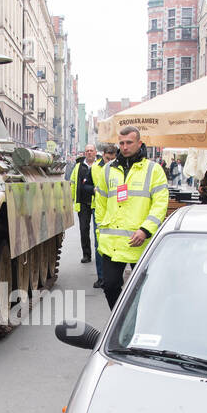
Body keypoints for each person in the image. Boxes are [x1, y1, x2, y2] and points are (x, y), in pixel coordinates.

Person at [95, 126, 169, 308]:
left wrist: (145, 229)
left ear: (139, 143)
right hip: (113, 243)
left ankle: (137, 321)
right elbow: (101, 203)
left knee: (143, 290)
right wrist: (100, 229)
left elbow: (160, 204)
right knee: (110, 286)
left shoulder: (153, 170)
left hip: (141, 242)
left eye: (129, 142)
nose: (125, 147)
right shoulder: (108, 170)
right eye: (121, 143)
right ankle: (121, 322)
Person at [90, 144, 117, 288]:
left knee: (115, 242)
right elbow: (91, 186)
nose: (110, 162)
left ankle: (112, 275)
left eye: (113, 159)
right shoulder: (96, 167)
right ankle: (101, 277)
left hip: (115, 210)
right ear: (103, 155)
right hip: (99, 208)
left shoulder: (119, 169)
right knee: (99, 243)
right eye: (108, 159)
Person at [69, 145, 97, 264]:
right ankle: (86, 254)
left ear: (95, 152)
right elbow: (73, 184)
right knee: (84, 230)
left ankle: (101, 254)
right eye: (87, 151)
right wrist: (71, 199)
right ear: (84, 153)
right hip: (83, 203)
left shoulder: (100, 165)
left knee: (99, 231)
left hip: (98, 203)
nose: (89, 153)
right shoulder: (78, 166)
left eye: (91, 151)